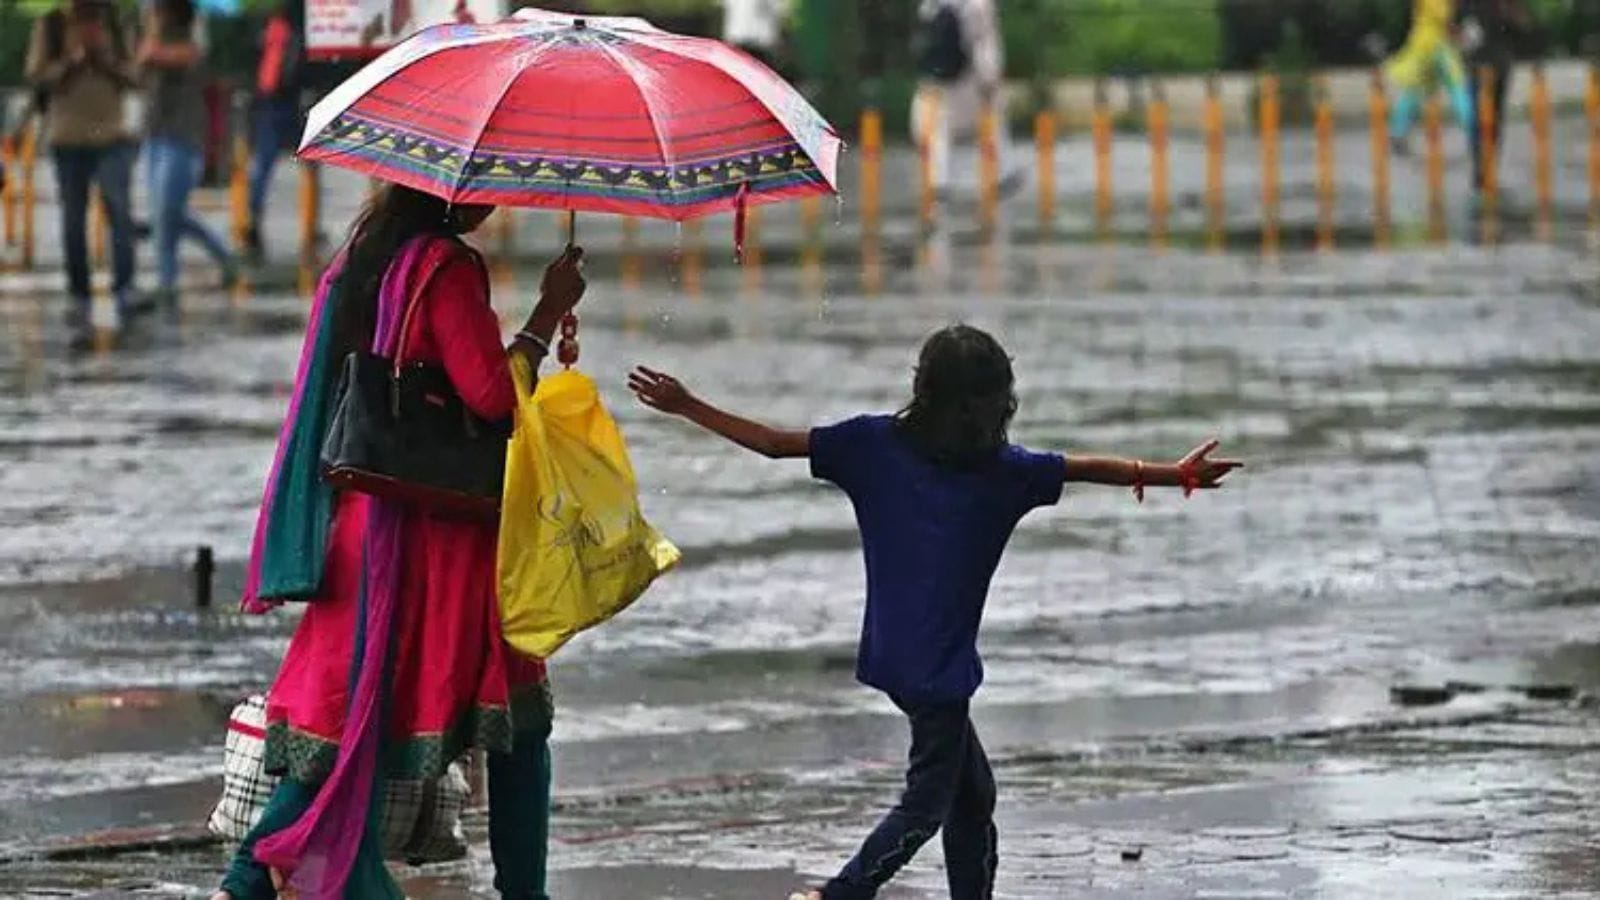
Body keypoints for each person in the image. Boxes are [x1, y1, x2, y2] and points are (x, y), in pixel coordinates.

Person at [629, 325, 1241, 900]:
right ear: (1003, 403)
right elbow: (1087, 468)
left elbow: (772, 444)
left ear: (921, 390)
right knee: (927, 804)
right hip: (940, 671)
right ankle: (834, 895)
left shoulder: (870, 445)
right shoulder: (1007, 472)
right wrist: (1173, 475)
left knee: (972, 796)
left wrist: (689, 404)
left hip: (894, 655)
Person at [212, 183, 586, 900]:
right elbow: (490, 396)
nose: (499, 196)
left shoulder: (358, 263)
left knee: (345, 726)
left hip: (361, 522)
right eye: (491, 183)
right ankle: (525, 894)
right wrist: (545, 314)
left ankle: (241, 884)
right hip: (438, 539)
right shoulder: (445, 269)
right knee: (520, 724)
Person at [25, 0, 140, 347]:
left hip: (111, 135)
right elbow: (37, 75)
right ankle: (79, 292)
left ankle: (125, 287)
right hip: (67, 136)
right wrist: (72, 61)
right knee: (73, 219)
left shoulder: (116, 23)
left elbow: (135, 76)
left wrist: (103, 56)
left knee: (119, 212)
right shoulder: (51, 24)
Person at [139, 0, 238, 306]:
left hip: (184, 137)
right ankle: (223, 257)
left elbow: (180, 58)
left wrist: (154, 43)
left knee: (167, 211)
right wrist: (151, 29)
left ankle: (167, 283)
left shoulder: (194, 34)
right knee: (164, 213)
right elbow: (139, 64)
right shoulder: (150, 33)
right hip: (155, 133)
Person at [909, 0, 1017, 197]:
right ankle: (1002, 174)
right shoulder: (978, 5)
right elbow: (984, 40)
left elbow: (926, 33)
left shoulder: (931, 4)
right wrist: (990, 76)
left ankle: (939, 181)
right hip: (970, 75)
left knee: (938, 128)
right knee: (993, 121)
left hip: (940, 75)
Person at [245, 1, 303, 261]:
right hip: (267, 103)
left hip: (287, 101)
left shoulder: (297, 24)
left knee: (303, 167)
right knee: (261, 166)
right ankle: (253, 220)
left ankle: (307, 229)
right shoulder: (265, 25)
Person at [1459, 0, 1533, 192]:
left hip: (1496, 63)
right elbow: (1455, 24)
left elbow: (1522, 26)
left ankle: (1486, 168)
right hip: (1479, 63)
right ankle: (1481, 170)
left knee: (1493, 118)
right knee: (1481, 118)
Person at [1386, 0, 1475, 154]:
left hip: (1422, 46)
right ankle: (1474, 133)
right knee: (1457, 89)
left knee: (1412, 92)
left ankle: (1397, 133)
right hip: (1436, 47)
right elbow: (1445, 21)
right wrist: (1462, 37)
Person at [723, 0, 786, 69]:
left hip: (739, 36)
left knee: (738, 71)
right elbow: (775, 9)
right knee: (758, 73)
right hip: (759, 40)